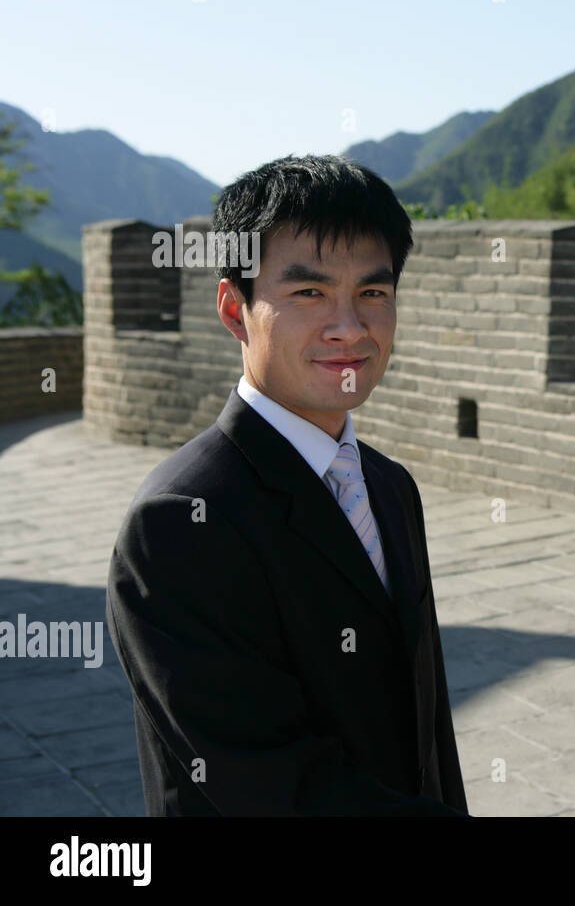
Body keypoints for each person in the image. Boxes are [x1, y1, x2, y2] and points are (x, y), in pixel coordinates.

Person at [106, 155, 468, 815]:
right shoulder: (180, 521)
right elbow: (271, 784)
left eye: (373, 292)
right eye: (309, 293)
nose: (350, 328)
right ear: (234, 309)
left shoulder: (389, 487)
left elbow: (428, 734)